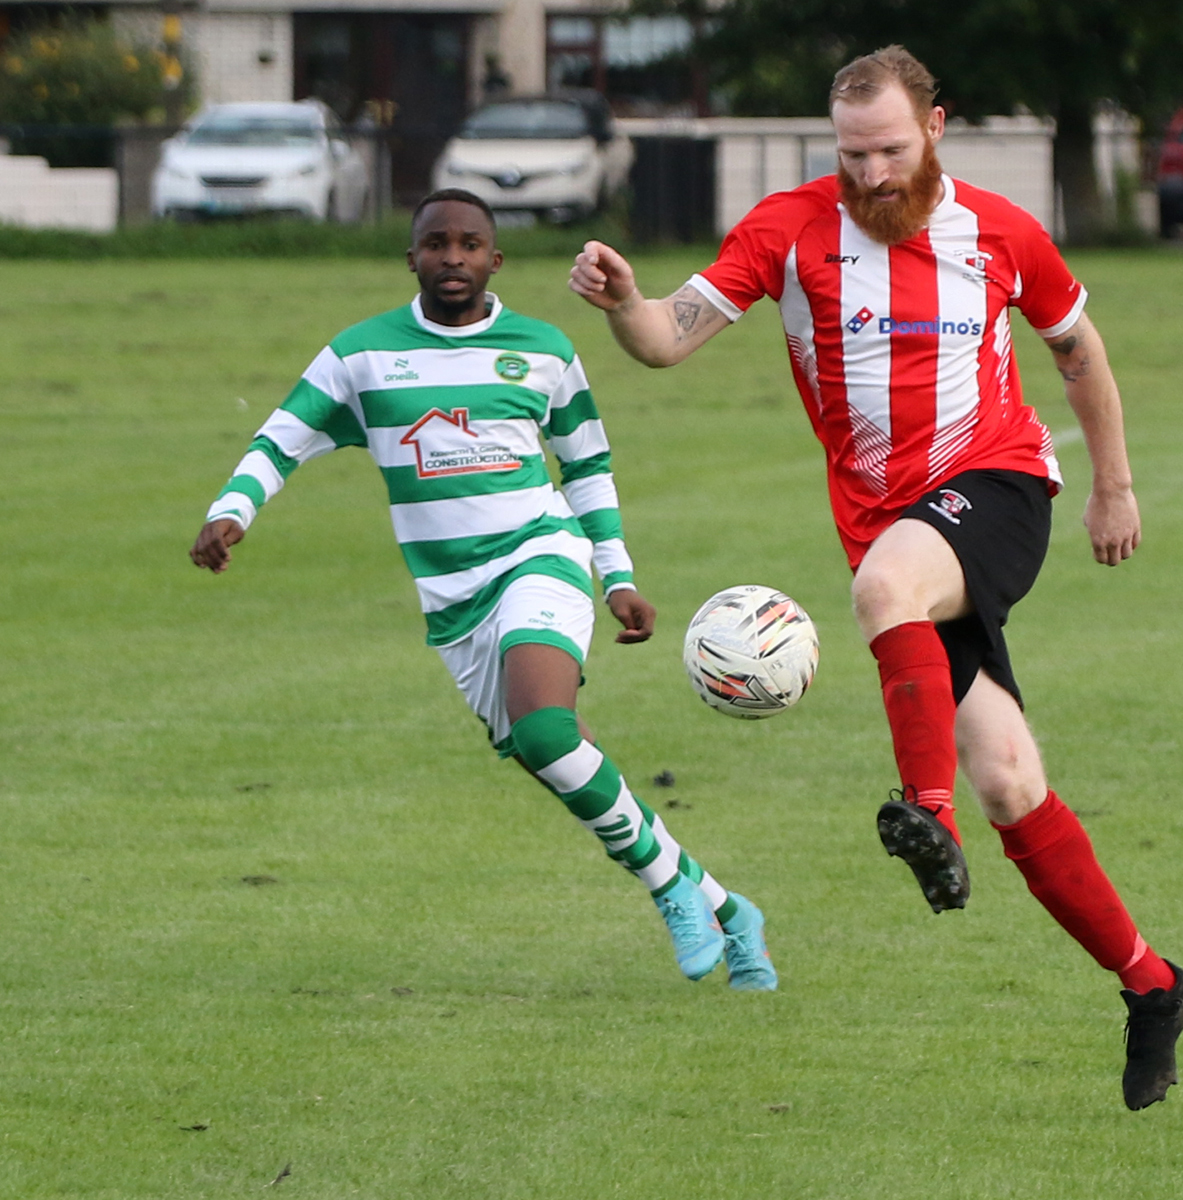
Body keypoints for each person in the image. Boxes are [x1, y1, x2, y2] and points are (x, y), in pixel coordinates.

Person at [569, 46, 1183, 1110]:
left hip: (996, 488)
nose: (871, 175)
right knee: (1012, 778)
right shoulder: (788, 229)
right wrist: (627, 298)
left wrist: (1114, 487)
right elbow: (669, 338)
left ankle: (926, 815)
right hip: (892, 528)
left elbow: (1078, 350)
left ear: (938, 127)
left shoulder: (1000, 231)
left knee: (882, 596)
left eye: (891, 150)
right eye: (852, 154)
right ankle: (1153, 986)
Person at [190, 189, 777, 990]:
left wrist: (617, 576)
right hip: (452, 601)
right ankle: (726, 906)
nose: (453, 259)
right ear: (412, 257)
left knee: (545, 733)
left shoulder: (542, 349)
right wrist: (233, 511)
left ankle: (673, 893)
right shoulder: (362, 355)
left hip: (542, 555)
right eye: (437, 244)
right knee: (558, 762)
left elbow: (588, 467)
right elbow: (281, 436)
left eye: (471, 245)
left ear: (495, 260)